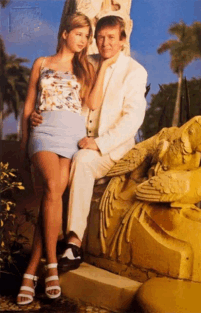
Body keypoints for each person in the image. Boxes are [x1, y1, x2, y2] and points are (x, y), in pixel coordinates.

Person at [30, 15, 148, 273]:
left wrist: (99, 143)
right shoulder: (86, 63)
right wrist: (38, 112)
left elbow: (133, 119)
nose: (105, 43)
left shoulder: (135, 72)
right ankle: (44, 252)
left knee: (82, 162)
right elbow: (56, 90)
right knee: (53, 184)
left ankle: (73, 242)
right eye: (101, 38)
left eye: (111, 38)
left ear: (123, 41)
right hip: (72, 139)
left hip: (109, 147)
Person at [17, 12, 95, 305]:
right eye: (79, 34)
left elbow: (93, 103)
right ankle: (51, 266)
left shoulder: (85, 68)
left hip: (71, 135)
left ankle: (30, 272)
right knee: (52, 186)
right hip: (44, 130)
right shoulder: (42, 63)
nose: (83, 40)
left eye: (87, 36)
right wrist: (25, 143)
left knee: (52, 198)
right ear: (65, 33)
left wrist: (108, 63)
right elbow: (28, 106)